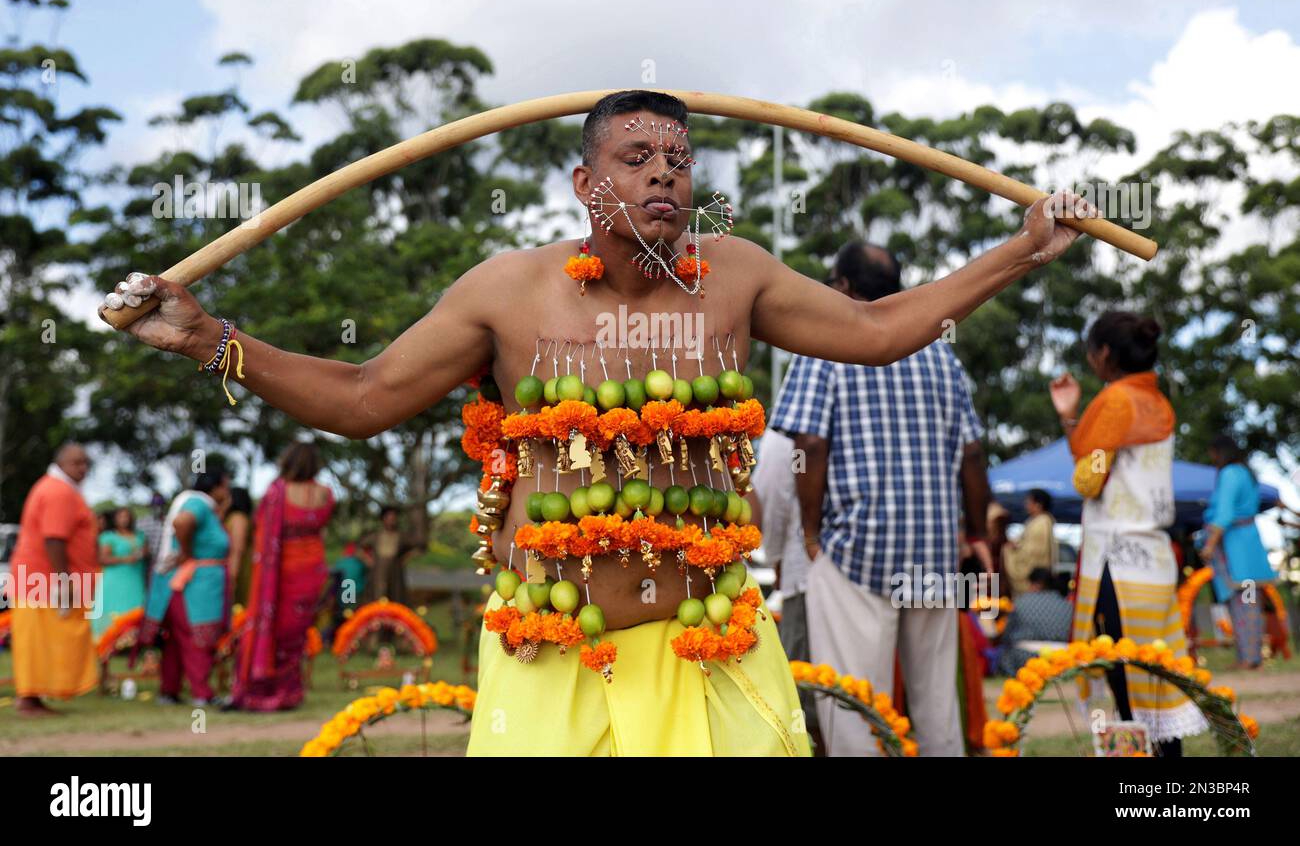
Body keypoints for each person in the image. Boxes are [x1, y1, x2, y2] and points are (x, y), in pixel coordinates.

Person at [102, 89, 1085, 756]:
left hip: (714, 650)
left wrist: (1022, 249)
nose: (665, 174)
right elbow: (363, 398)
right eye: (637, 156)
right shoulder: (506, 291)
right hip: (551, 655)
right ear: (585, 184)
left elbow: (875, 329)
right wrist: (211, 341)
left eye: (680, 160)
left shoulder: (734, 276)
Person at [771, 239, 994, 757]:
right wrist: (976, 532)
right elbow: (974, 454)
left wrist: (809, 534)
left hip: (856, 549)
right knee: (938, 707)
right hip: (935, 554)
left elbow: (809, 443)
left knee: (855, 707)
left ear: (843, 288)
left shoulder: (825, 344)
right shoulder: (942, 356)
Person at [1050, 311, 1206, 755]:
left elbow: (1089, 477)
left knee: (1121, 676)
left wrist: (1078, 448)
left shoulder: (1116, 402)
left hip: (1116, 564)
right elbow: (1097, 452)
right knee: (1157, 674)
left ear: (1103, 354)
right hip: (1154, 563)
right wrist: (1071, 418)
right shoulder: (1156, 401)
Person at [230, 442, 334, 711]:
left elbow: (261, 530)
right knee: (296, 635)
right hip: (313, 570)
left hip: (281, 573)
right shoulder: (325, 494)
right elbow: (321, 527)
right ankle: (288, 691)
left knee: (275, 629)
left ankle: (265, 689)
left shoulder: (277, 493)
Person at [8, 444, 100, 715]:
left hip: (43, 580)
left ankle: (34, 697)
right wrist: (64, 580)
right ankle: (29, 699)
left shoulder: (61, 489)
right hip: (43, 580)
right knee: (40, 642)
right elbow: (54, 539)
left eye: (85, 463)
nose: (82, 468)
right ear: (60, 463)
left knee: (48, 640)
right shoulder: (58, 492)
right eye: (76, 463)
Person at [749, 429, 819, 741]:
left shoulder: (783, 434)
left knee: (804, 692)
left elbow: (770, 502)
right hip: (844, 573)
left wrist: (776, 556)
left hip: (805, 574)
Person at [142, 464, 232, 706]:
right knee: (195, 638)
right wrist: (186, 553)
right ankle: (202, 693)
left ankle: (169, 691)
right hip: (192, 585)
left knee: (178, 639)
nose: (229, 490)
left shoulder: (205, 507)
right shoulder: (198, 503)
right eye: (226, 485)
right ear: (216, 487)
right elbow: (182, 523)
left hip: (188, 583)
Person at [1199, 434, 1275, 669]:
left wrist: (1210, 544)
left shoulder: (1230, 474)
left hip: (1235, 547)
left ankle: (1249, 658)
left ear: (1219, 452)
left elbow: (1225, 512)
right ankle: (1251, 657)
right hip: (1249, 544)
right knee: (1250, 602)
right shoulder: (1246, 473)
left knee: (1243, 604)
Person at [998, 566, 1073, 674]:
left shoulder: (1021, 602)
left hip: (1025, 659)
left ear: (1036, 585)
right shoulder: (1066, 605)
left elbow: (1007, 635)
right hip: (1061, 659)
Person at [94, 506, 148, 639]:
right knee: (113, 608)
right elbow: (102, 559)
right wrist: (126, 559)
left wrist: (143, 554)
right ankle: (109, 640)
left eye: (127, 516)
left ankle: (130, 641)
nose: (124, 519)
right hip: (115, 579)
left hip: (134, 578)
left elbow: (146, 552)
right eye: (121, 516)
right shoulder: (108, 537)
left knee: (134, 606)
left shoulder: (140, 535)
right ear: (115, 519)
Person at [359, 506, 422, 605]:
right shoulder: (376, 536)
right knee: (377, 595)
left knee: (395, 597)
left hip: (395, 571)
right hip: (378, 571)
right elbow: (360, 548)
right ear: (383, 519)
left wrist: (405, 558)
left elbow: (417, 548)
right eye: (389, 518)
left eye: (394, 518)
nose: (391, 520)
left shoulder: (401, 536)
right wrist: (368, 560)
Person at [1003, 489, 1056, 597]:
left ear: (1038, 505)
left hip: (1034, 579)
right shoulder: (1036, 522)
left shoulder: (1041, 524)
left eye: (1028, 502)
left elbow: (1032, 555)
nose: (1026, 505)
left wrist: (1009, 551)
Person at [224, 487, 255, 607]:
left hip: (239, 570)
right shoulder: (235, 517)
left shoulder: (238, 518)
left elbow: (237, 549)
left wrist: (232, 578)